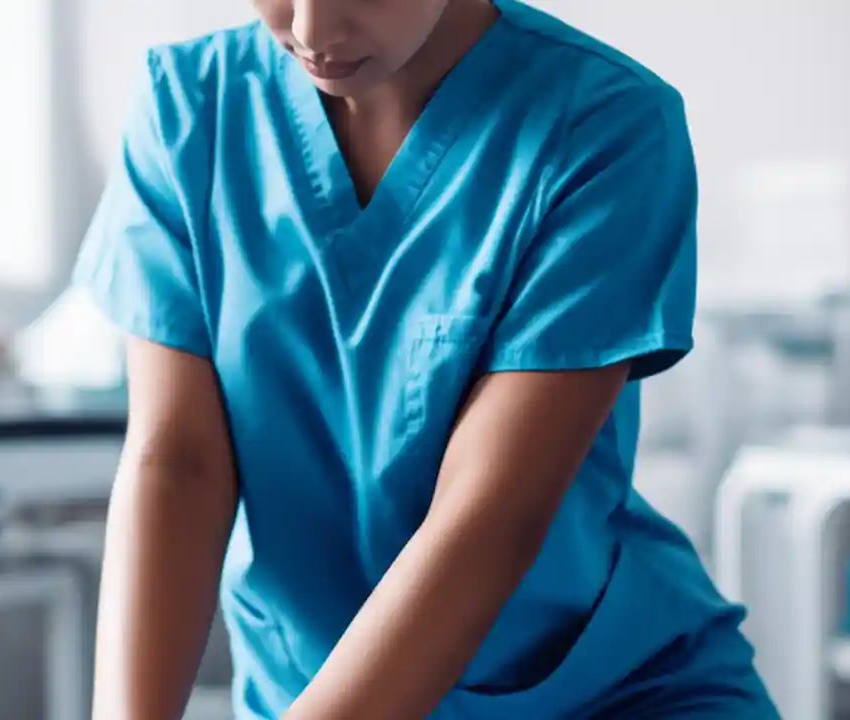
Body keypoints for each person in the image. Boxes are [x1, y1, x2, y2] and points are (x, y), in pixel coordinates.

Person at [74, 0, 776, 717]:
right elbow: (178, 463)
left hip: (607, 695)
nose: (311, 32)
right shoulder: (190, 109)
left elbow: (489, 517)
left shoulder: (602, 127)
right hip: (307, 692)